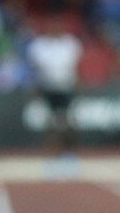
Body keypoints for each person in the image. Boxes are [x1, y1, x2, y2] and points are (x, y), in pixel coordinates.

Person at [26, 13, 83, 151]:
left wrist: (77, 85)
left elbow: (76, 67)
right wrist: (34, 87)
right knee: (49, 120)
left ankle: (71, 147)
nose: (55, 28)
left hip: (66, 86)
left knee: (69, 119)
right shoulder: (38, 45)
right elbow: (34, 69)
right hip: (47, 86)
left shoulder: (71, 43)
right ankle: (51, 147)